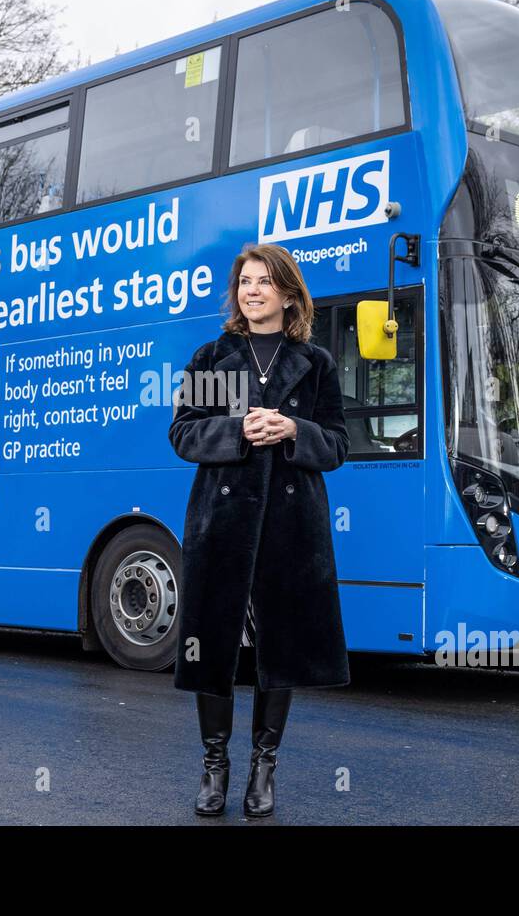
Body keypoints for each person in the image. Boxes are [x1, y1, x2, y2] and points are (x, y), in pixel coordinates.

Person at [169, 242, 351, 818]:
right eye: (244, 282)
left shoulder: (315, 363)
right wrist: (239, 432)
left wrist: (293, 428)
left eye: (263, 282)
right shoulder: (213, 357)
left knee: (282, 645)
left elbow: (338, 445)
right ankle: (214, 767)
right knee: (212, 644)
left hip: (291, 526)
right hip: (222, 523)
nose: (251, 291)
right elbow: (183, 434)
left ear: (287, 294)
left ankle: (264, 767)